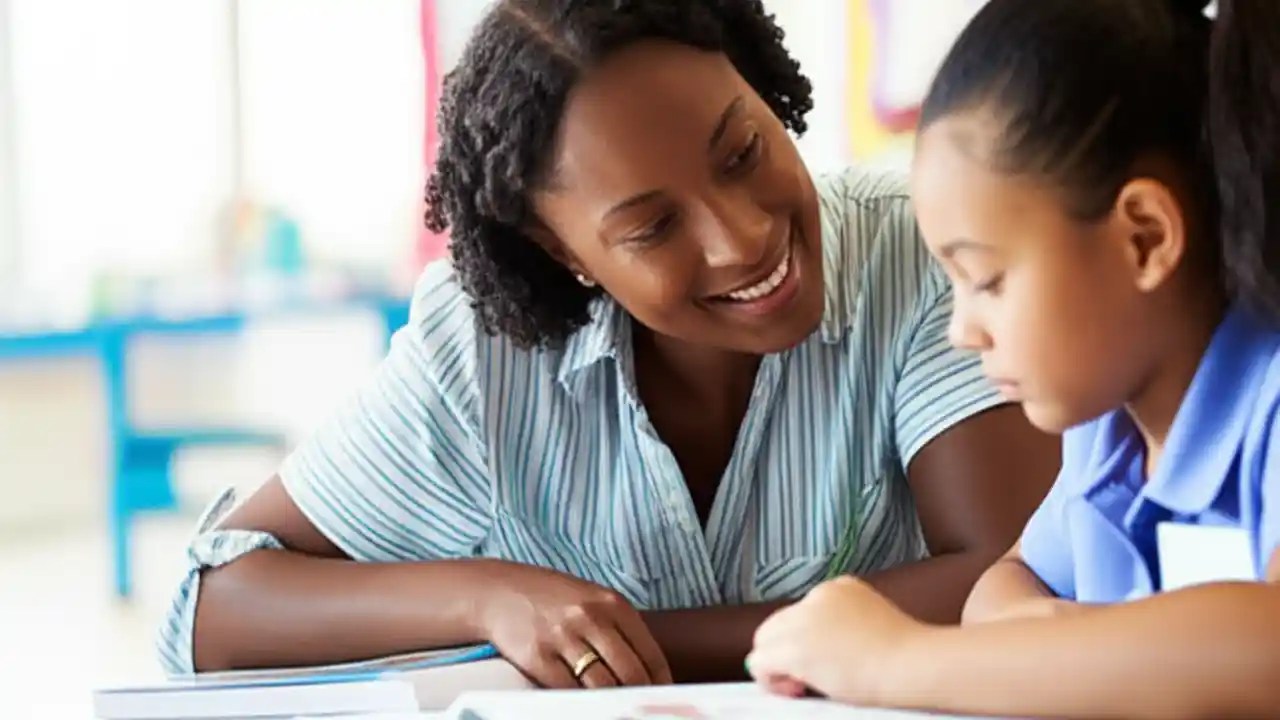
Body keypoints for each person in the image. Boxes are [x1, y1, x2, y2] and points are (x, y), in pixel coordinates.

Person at [157, 0, 1058, 688]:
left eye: (742, 151)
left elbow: (1019, 579)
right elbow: (210, 607)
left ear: (760, 87)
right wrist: (489, 596)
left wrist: (623, 638)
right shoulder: (482, 356)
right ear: (563, 251)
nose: (739, 238)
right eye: (651, 226)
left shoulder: (921, 249)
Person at [747, 0, 1280, 716]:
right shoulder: (1110, 438)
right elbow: (1013, 577)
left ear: (1145, 238)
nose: (963, 330)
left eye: (989, 280)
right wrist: (1041, 644)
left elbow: (1265, 646)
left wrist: (895, 660)